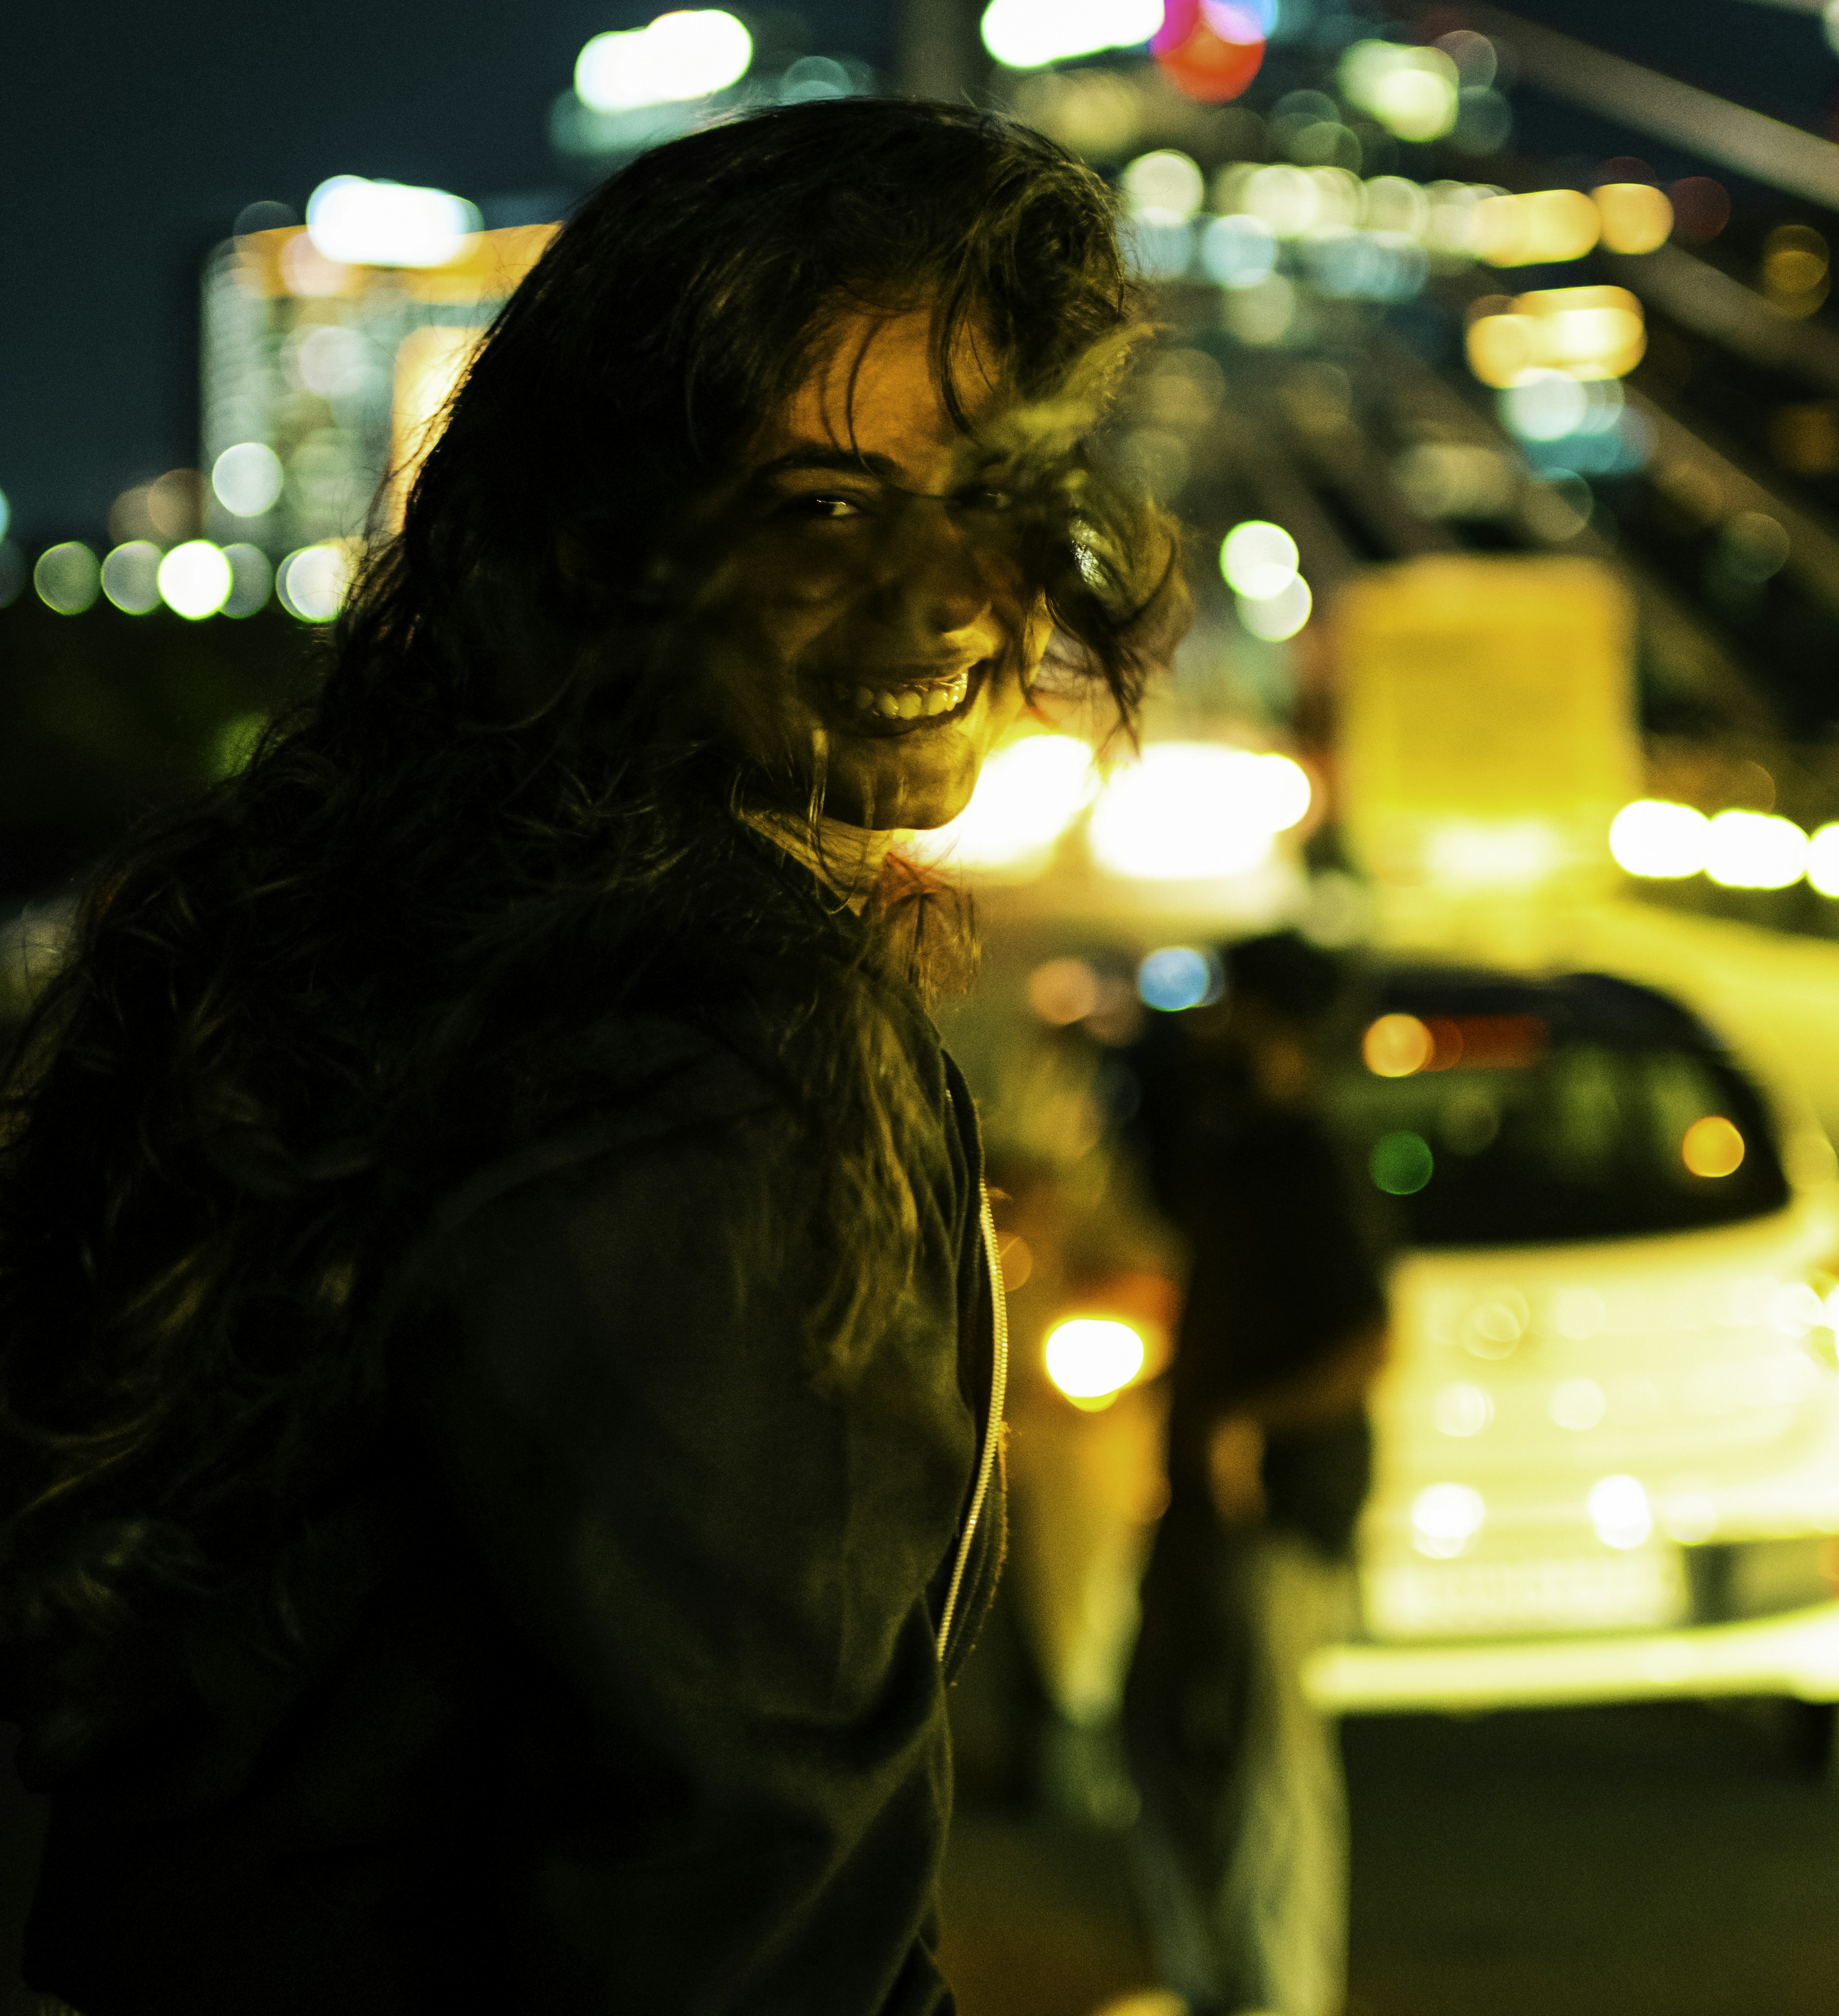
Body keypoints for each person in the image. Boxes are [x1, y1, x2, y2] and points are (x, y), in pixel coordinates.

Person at [0, 100, 1181, 2015]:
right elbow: (743, 1902)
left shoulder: (334, 923)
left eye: (996, 493)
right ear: (602, 544)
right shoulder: (728, 1068)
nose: (953, 589)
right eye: (822, 504)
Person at [1123, 934, 1387, 2016]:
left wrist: (1243, 1426)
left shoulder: (1307, 1164)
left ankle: (1276, 1996)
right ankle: (1203, 1984)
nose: (1215, 1025)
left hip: (1278, 1512)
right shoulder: (1236, 1149)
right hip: (1202, 1506)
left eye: (1234, 1010)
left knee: (1265, 1776)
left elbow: (1367, 1340)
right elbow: (1156, 1168)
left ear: (1283, 1032)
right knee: (1156, 1741)